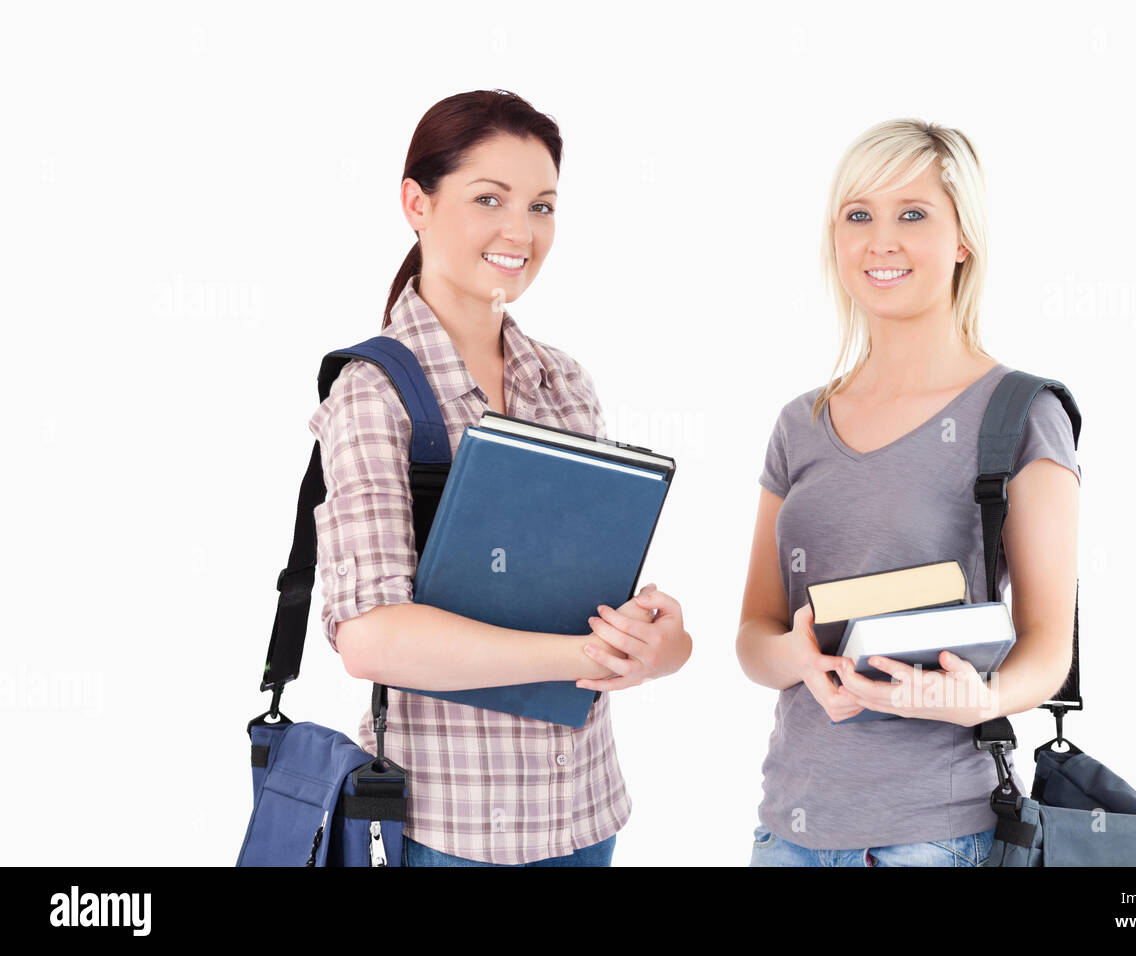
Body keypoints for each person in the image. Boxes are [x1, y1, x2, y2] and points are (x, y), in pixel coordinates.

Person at [310, 90, 692, 867]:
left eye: (542, 205)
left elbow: (589, 594)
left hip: (585, 815)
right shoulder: (375, 393)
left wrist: (657, 638)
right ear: (416, 202)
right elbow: (371, 638)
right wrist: (581, 658)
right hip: (450, 830)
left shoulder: (565, 383)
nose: (521, 231)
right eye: (490, 199)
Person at [735, 119, 1081, 867]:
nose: (880, 240)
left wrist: (982, 698)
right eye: (858, 215)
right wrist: (798, 657)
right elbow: (755, 639)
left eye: (913, 214)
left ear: (963, 240)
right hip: (788, 828)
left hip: (935, 834)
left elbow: (1050, 647)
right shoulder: (801, 422)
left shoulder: (1020, 415)